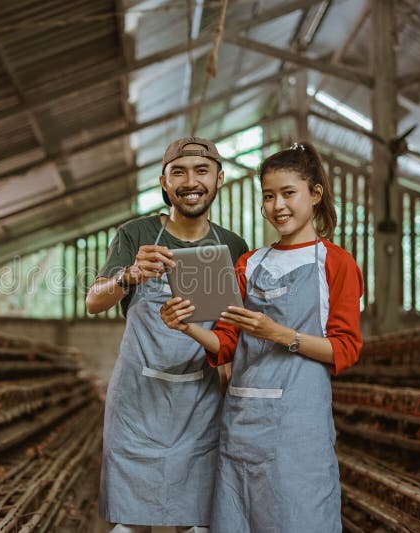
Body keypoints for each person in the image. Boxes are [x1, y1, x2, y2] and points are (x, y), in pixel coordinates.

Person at [160, 142, 363, 532]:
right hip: (242, 425)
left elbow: (346, 349)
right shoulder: (247, 263)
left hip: (299, 431)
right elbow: (226, 344)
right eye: (268, 196)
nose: (277, 206)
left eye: (288, 193)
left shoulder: (336, 263)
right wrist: (186, 326)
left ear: (315, 194)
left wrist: (279, 334)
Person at [87, 137, 249, 532]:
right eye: (179, 172)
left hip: (201, 404)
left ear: (219, 179)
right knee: (130, 524)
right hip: (137, 403)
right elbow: (93, 301)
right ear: (164, 182)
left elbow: (233, 328)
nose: (190, 182)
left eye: (201, 171)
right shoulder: (136, 233)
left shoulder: (232, 246)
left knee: (195, 522)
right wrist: (130, 275)